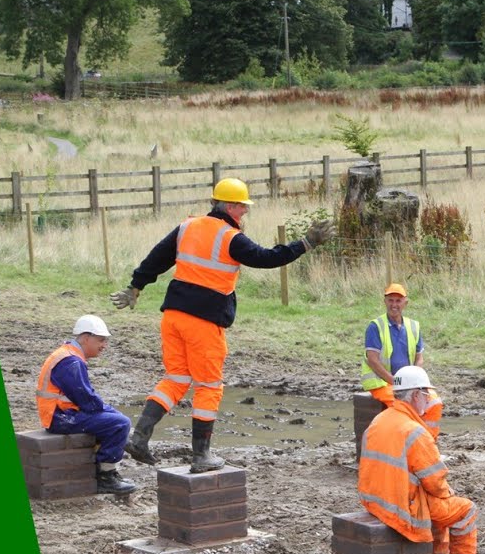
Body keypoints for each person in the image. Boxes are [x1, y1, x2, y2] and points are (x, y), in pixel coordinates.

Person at [111, 178, 334, 473]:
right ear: (229, 206)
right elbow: (266, 258)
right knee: (209, 386)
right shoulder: (231, 237)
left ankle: (139, 438)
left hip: (173, 315)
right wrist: (305, 243)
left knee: (177, 378)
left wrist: (135, 287)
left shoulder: (187, 226)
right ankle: (201, 456)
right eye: (243, 206)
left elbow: (157, 258)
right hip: (204, 322)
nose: (245, 212)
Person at [359, 366, 485, 554]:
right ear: (414, 395)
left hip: (376, 500)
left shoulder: (379, 420)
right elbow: (435, 482)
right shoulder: (414, 432)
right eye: (426, 394)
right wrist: (448, 494)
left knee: (437, 507)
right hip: (401, 507)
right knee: (465, 510)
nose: (429, 399)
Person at [35, 315, 136, 495]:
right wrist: (117, 419)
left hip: (61, 414)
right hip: (61, 418)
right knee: (120, 423)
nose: (104, 345)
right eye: (101, 340)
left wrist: (111, 413)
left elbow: (85, 399)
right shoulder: (71, 362)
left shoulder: (68, 355)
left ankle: (105, 471)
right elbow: (86, 400)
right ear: (85, 337)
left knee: (116, 420)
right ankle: (106, 477)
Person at [361, 283, 440, 438]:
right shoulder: (375, 326)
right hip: (382, 384)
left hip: (408, 384)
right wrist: (397, 383)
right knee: (405, 406)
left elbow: (419, 358)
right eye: (391, 300)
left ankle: (429, 442)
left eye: (398, 301)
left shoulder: (413, 326)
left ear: (405, 303)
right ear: (385, 301)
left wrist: (415, 381)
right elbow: (373, 360)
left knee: (433, 402)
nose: (394, 305)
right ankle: (411, 443)